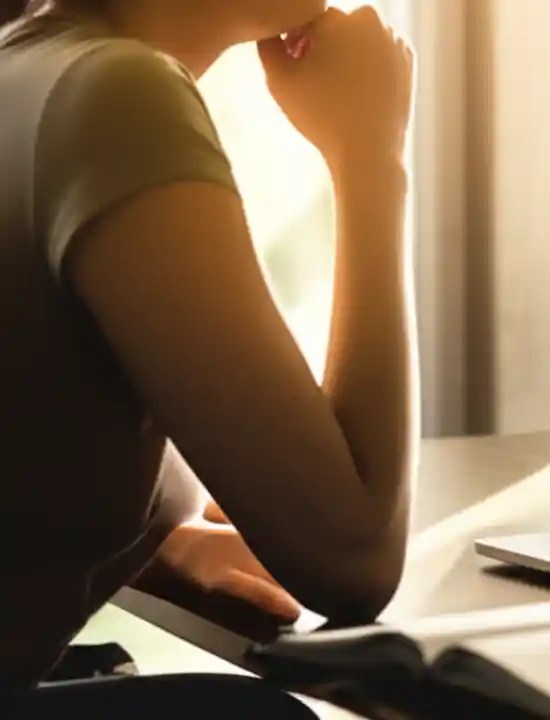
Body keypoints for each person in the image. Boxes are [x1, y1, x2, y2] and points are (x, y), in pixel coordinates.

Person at [0, 0, 418, 713]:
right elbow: (353, 562)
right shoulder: (113, 96)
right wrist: (371, 155)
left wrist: (161, 545)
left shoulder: (30, 69)